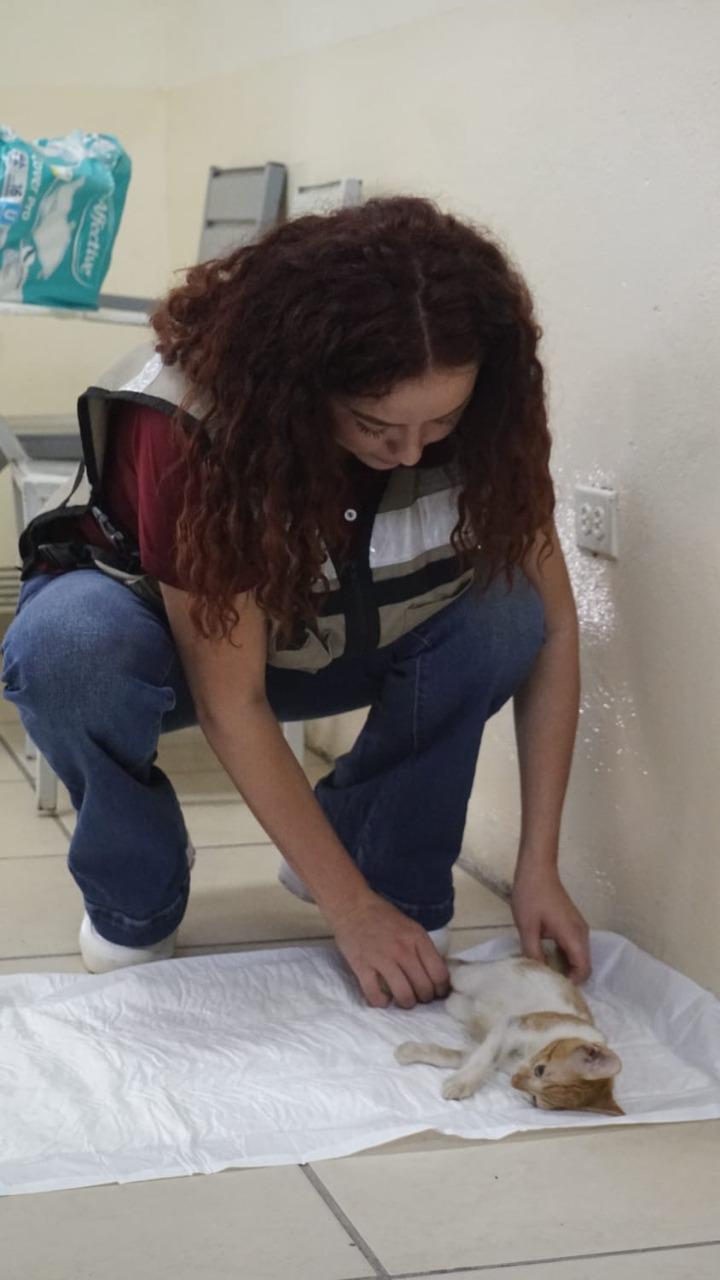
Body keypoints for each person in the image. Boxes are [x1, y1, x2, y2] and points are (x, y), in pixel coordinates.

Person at [1, 195, 590, 1008]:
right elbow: (231, 699)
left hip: (337, 637)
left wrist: (538, 866)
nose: (410, 453)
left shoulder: (492, 413)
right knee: (66, 650)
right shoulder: (193, 422)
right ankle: (138, 890)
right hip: (167, 655)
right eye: (376, 424)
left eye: (441, 421)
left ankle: (373, 850)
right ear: (302, 384)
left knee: (506, 614)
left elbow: (554, 627)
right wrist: (353, 914)